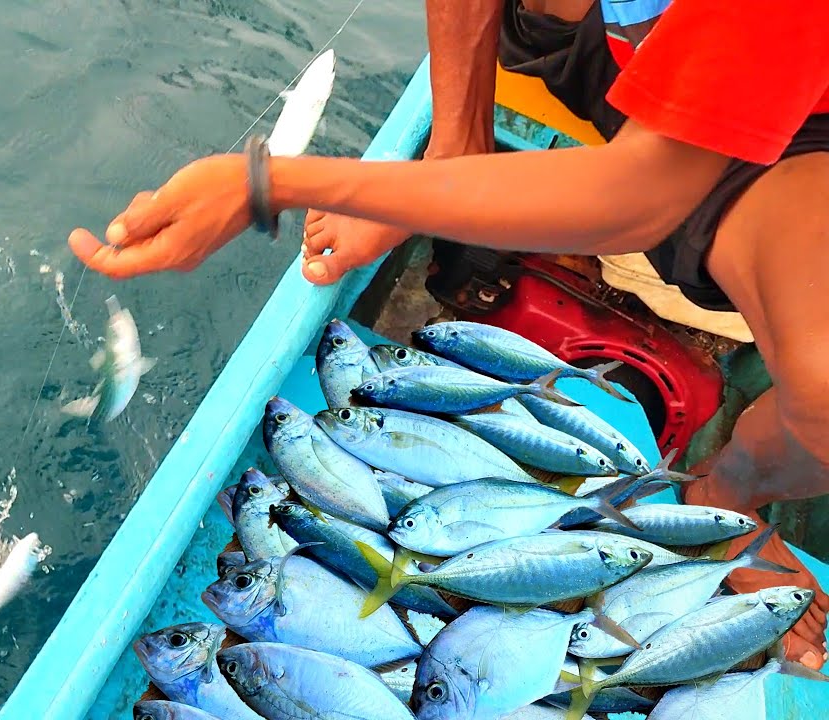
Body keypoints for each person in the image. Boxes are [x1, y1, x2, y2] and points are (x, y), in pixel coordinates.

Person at [66, 0, 829, 668]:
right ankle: (456, 150)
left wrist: (272, 182)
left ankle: (726, 498)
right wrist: (447, 154)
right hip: (633, 49)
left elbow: (647, 193)